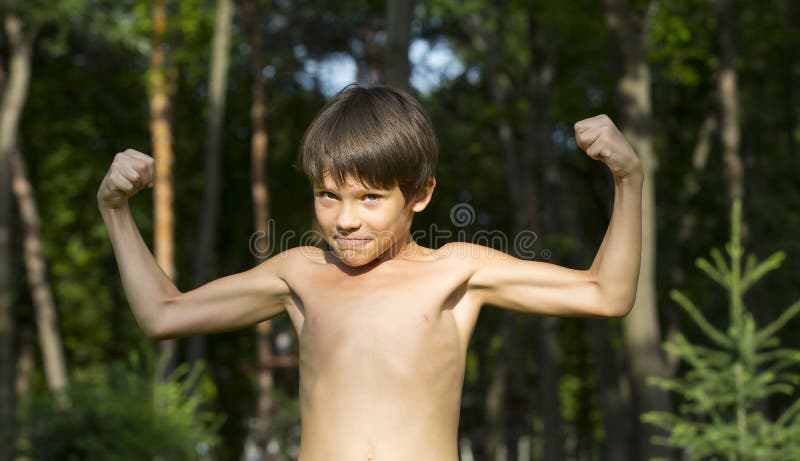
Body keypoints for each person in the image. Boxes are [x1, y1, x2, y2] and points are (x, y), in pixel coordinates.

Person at [97, 84, 643, 461]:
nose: (346, 219)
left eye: (371, 198)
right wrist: (115, 211)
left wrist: (628, 178)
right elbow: (163, 313)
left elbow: (606, 293)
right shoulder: (300, 273)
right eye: (327, 196)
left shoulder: (456, 271)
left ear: (421, 194)